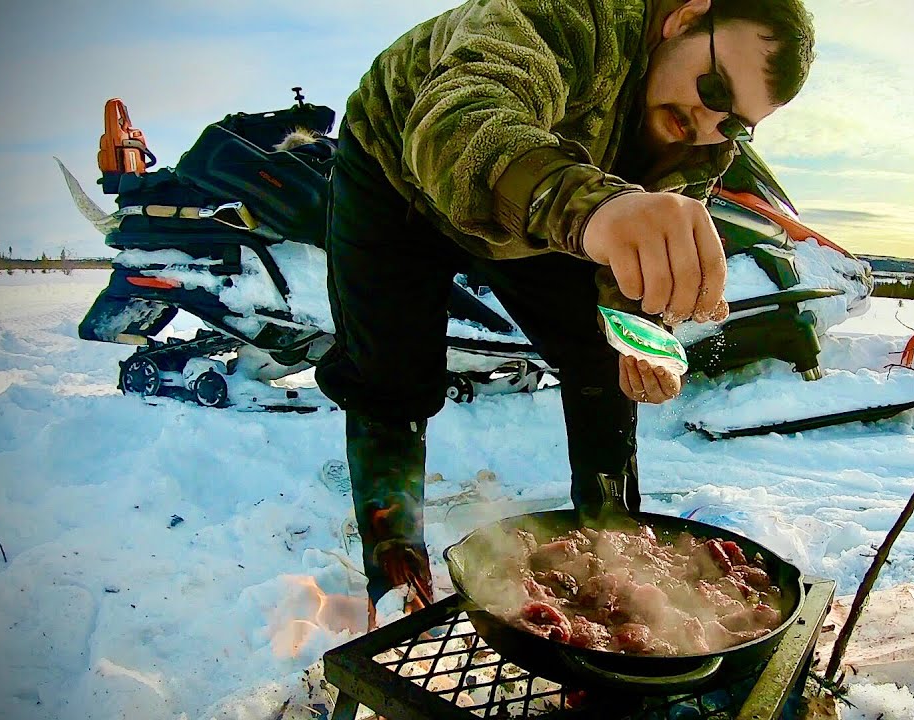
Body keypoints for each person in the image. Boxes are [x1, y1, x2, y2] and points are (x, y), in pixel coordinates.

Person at [315, 0, 815, 626]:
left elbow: (628, 277)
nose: (709, 122)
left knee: (601, 354)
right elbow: (463, 122)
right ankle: (398, 584)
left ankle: (616, 552)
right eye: (712, 88)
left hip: (543, 216)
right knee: (389, 376)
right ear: (686, 18)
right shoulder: (571, 14)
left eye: (735, 123)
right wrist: (598, 210)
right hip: (399, 173)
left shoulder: (700, 150)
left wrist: (642, 336)